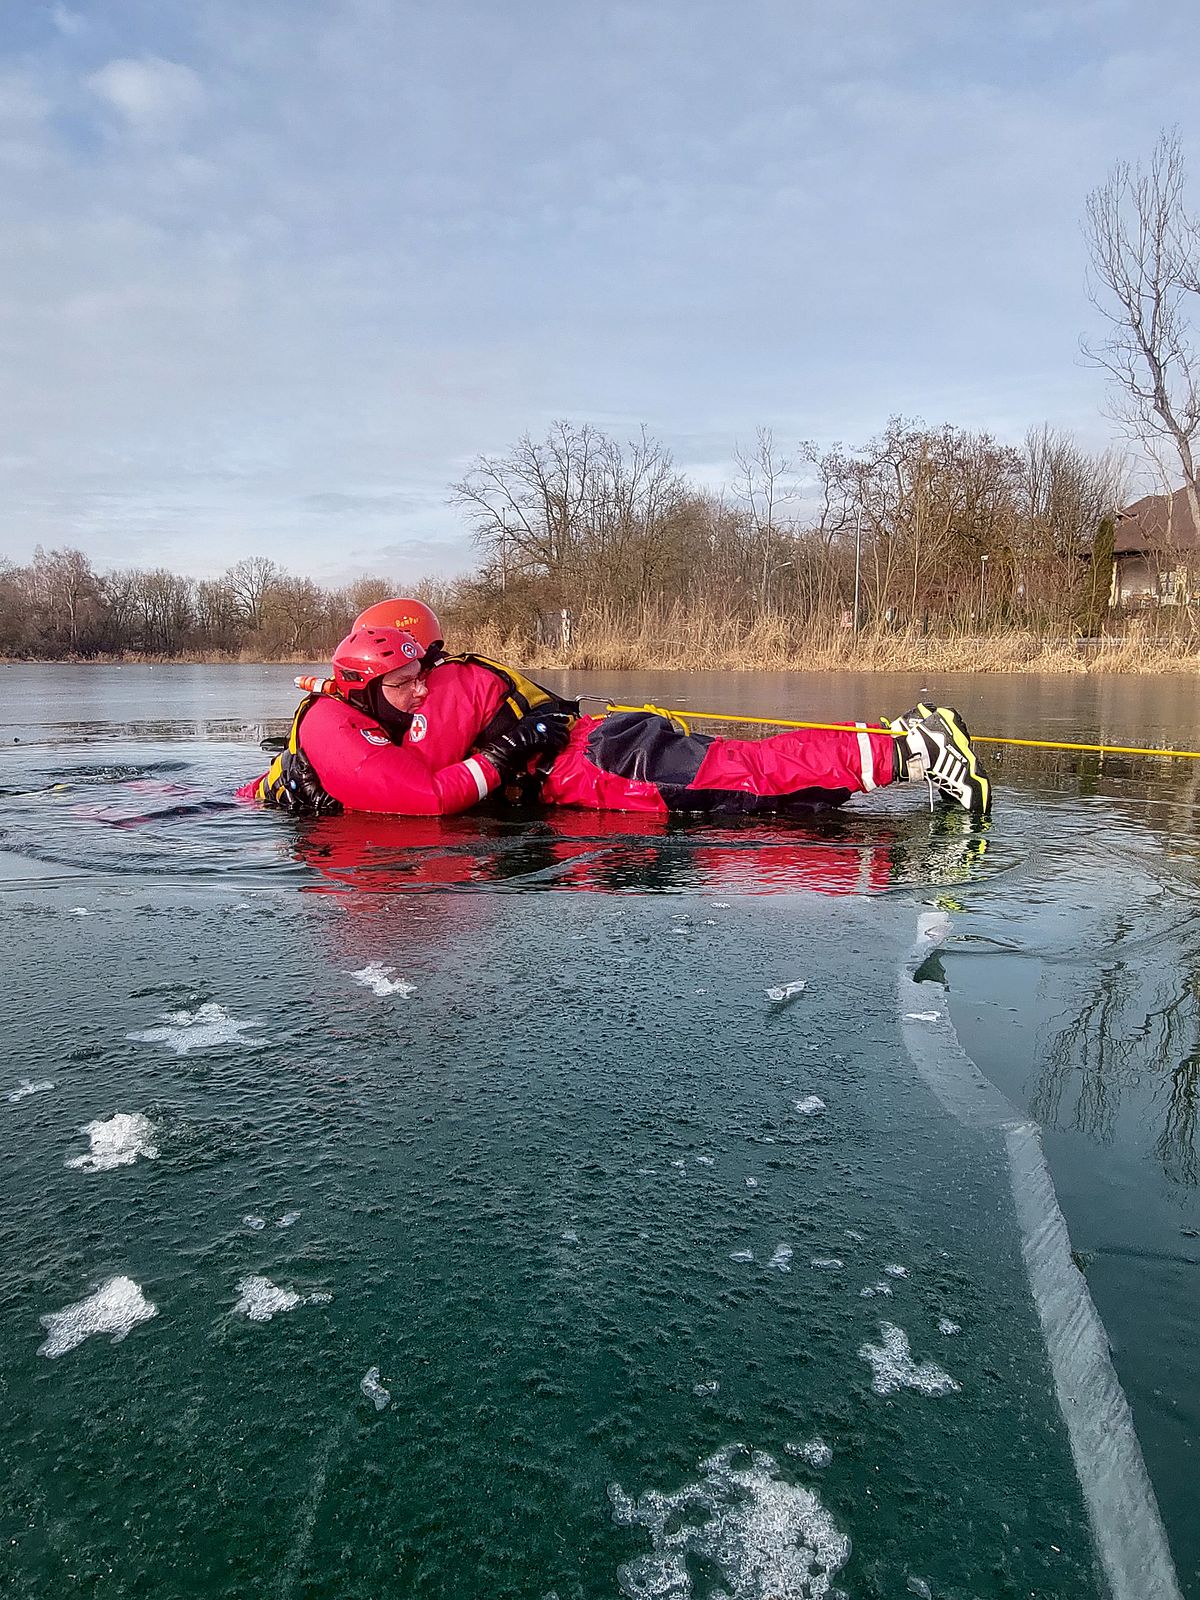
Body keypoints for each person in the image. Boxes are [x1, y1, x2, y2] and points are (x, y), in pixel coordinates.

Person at [237, 600, 991, 819]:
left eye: (422, 671)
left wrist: (513, 742)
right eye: (406, 680)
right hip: (594, 764)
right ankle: (896, 758)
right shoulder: (345, 726)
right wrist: (504, 751)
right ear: (366, 684)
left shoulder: (434, 690)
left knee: (745, 773)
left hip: (600, 766)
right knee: (750, 790)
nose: (421, 688)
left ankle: (912, 751)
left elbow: (436, 782)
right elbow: (426, 789)